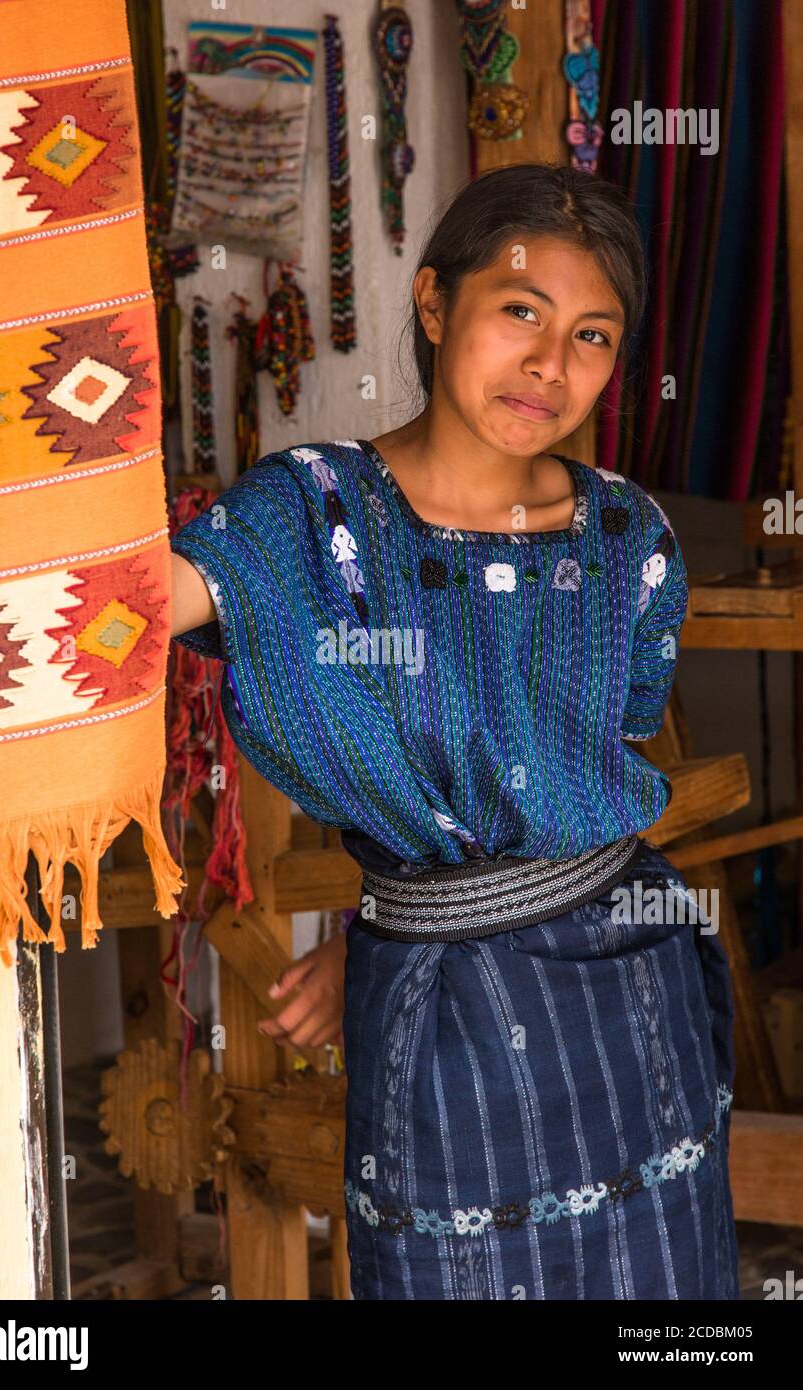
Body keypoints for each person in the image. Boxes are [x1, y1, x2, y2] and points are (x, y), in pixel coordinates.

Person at [169, 164, 738, 1301]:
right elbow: (123, 612)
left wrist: (401, 919)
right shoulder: (312, 515)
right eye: (517, 312)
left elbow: (591, 777)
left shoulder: (631, 537)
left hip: (632, 999)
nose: (547, 365)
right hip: (439, 1035)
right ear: (434, 306)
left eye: (590, 336)